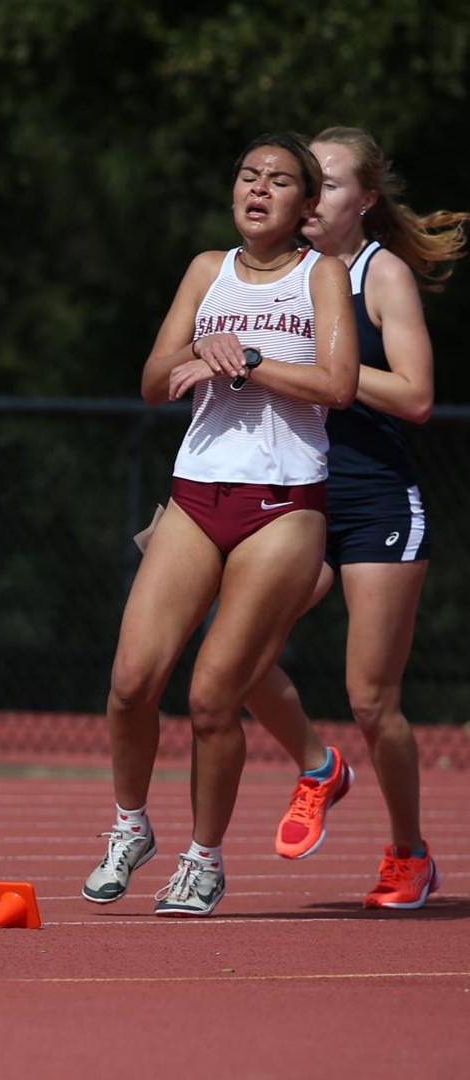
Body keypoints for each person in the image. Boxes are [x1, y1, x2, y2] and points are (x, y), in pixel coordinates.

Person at [82, 132, 357, 917]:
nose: (258, 189)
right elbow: (150, 381)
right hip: (194, 494)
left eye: (278, 181)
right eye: (247, 176)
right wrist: (196, 351)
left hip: (282, 506)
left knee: (211, 698)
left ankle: (203, 860)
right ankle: (129, 826)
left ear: (305, 207)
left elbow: (337, 384)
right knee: (132, 680)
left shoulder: (321, 275)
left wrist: (245, 360)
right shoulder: (207, 270)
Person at [241, 126, 463, 909]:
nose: (310, 195)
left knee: (371, 699)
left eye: (328, 183)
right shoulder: (277, 273)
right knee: (229, 662)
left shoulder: (381, 274)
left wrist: (326, 373)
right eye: (306, 181)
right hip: (290, 489)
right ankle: (315, 765)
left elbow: (416, 397)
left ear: (363, 200)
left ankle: (408, 853)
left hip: (372, 501)